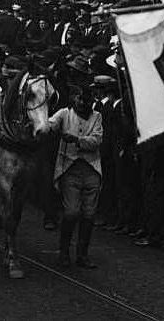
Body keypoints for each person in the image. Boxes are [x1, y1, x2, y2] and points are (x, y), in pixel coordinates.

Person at [42, 82, 104, 268]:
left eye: (87, 100)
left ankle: (82, 255)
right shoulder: (64, 114)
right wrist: (40, 123)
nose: (82, 103)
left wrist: (77, 140)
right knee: (71, 212)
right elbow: (49, 126)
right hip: (69, 169)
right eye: (79, 98)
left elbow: (97, 140)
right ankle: (64, 252)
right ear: (73, 98)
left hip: (92, 170)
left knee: (89, 214)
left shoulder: (97, 117)